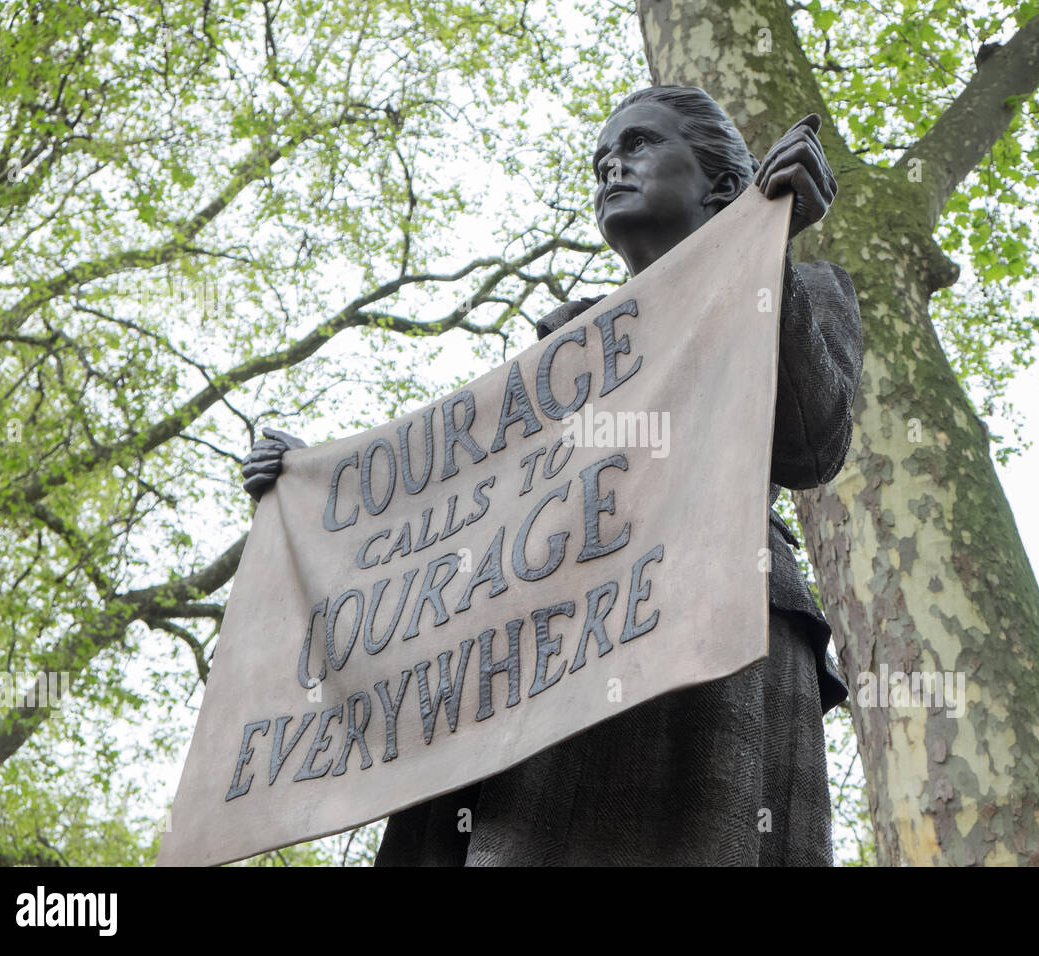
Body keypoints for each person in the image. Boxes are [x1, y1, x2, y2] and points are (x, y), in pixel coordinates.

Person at [242, 85, 863, 865]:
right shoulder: (556, 350)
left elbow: (811, 446)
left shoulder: (807, 288)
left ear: (721, 184)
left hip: (712, 621)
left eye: (638, 146)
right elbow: (470, 510)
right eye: (601, 160)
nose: (612, 168)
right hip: (546, 639)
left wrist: (767, 254)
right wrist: (325, 499)